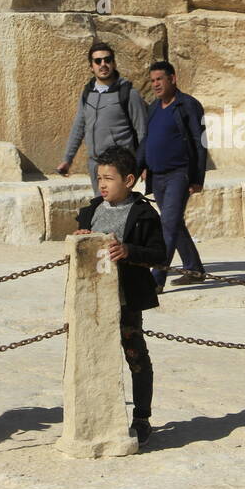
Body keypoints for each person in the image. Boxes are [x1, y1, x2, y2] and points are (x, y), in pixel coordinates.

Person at [74, 146, 166, 444]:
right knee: (93, 358)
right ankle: (99, 417)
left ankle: (141, 417)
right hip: (93, 301)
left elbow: (159, 254)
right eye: (99, 178)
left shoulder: (143, 214)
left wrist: (128, 251)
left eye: (109, 179)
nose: (102, 184)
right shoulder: (91, 211)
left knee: (135, 356)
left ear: (128, 180)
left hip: (126, 301)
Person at [136, 61, 207, 293]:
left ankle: (157, 279)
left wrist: (197, 178)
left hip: (179, 174)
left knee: (167, 224)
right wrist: (138, 167)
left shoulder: (188, 105)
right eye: (153, 80)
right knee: (172, 222)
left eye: (160, 79)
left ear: (172, 79)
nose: (156, 84)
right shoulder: (154, 107)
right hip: (157, 176)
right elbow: (147, 140)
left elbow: (199, 143)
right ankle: (194, 269)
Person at [57, 42, 149, 190]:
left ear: (114, 63)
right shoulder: (87, 93)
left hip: (119, 164)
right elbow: (79, 127)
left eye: (107, 60)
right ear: (91, 67)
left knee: (116, 208)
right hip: (95, 164)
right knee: (101, 208)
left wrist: (145, 164)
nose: (103, 64)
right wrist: (67, 159)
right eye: (98, 61)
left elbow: (142, 131)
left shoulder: (128, 94)